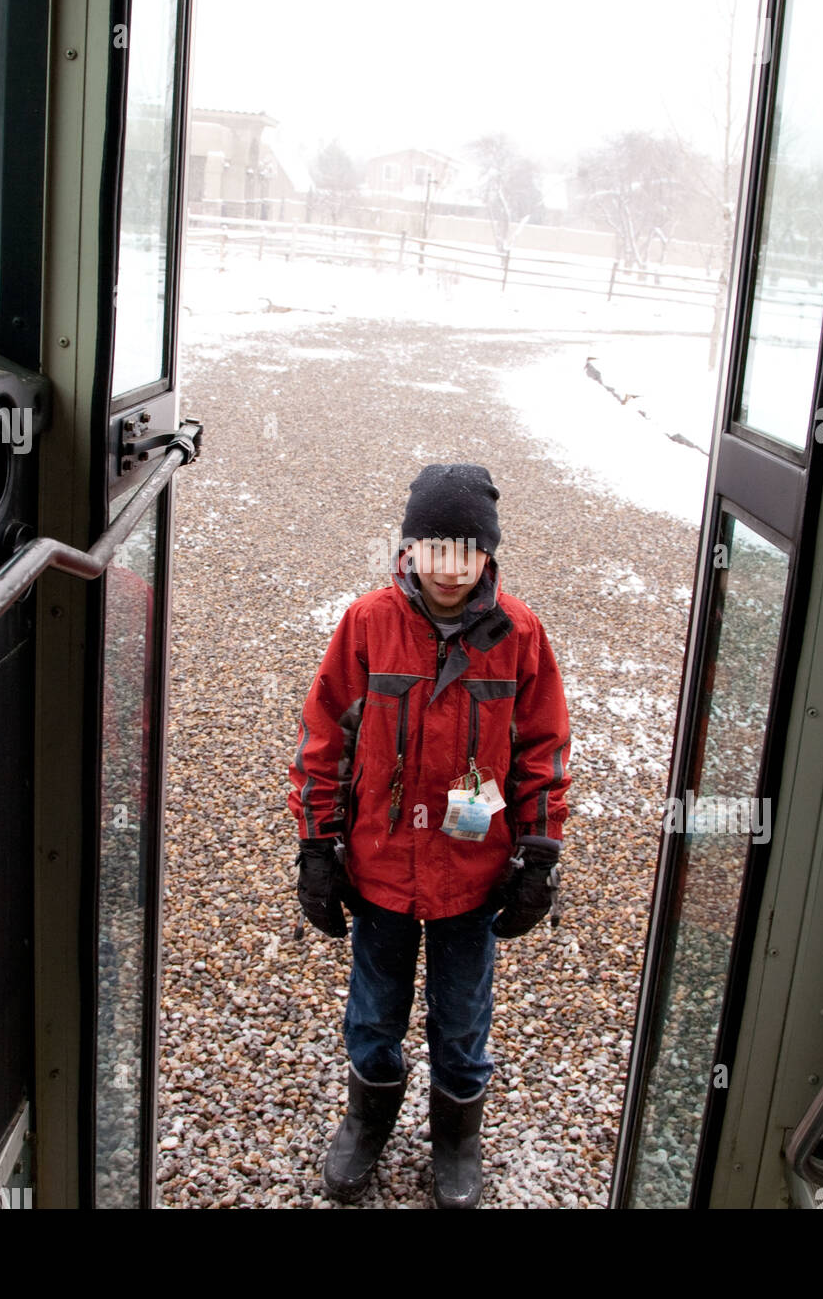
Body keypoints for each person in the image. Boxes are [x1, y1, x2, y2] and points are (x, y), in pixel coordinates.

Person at [287, 463, 571, 1208]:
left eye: (465, 551)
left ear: (489, 556)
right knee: (374, 1008)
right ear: (408, 548)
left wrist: (538, 856)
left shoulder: (521, 634)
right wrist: (317, 847)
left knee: (464, 1013)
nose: (448, 568)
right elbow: (323, 737)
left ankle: (455, 1134)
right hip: (379, 869)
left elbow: (544, 748)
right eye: (432, 548)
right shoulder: (367, 623)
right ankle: (367, 1118)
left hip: (473, 876)